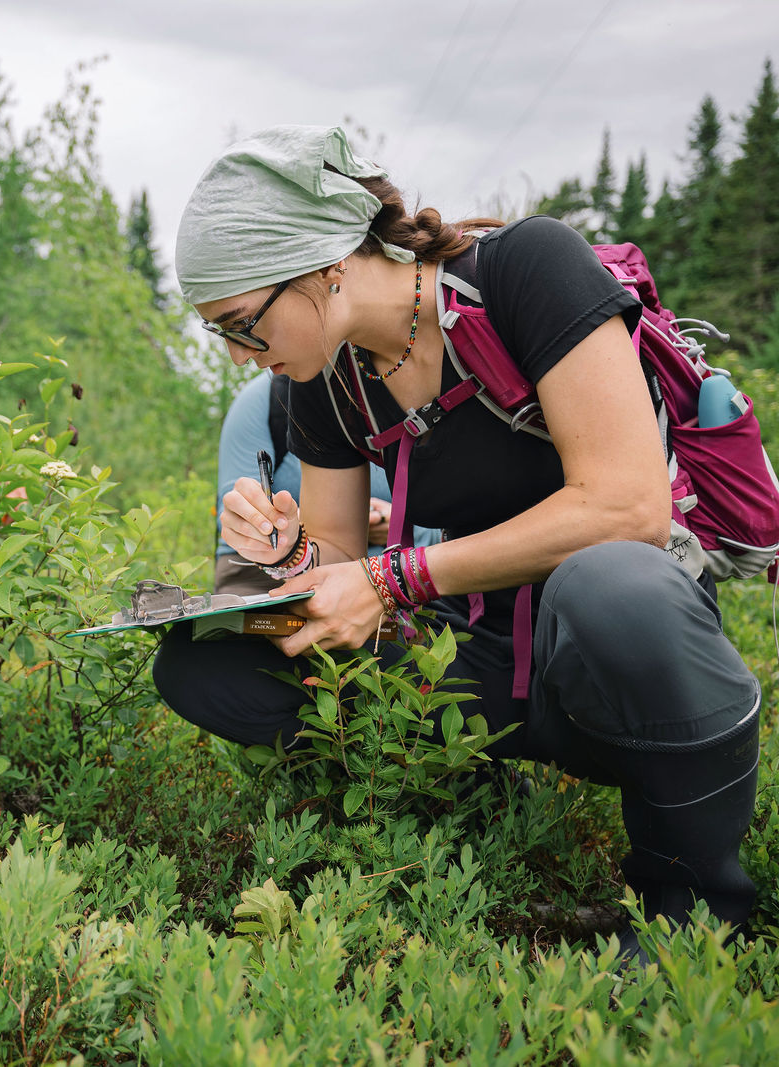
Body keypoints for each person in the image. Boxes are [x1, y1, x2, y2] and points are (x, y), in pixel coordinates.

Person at [156, 125, 761, 949]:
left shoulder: (526, 270)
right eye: (220, 334)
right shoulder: (326, 375)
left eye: (242, 324)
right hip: (473, 653)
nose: (237, 356)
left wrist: (393, 578)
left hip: (617, 659)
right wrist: (289, 554)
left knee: (608, 584)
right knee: (204, 659)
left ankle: (691, 907)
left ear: (322, 266)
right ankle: (472, 806)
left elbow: (627, 507)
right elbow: (339, 557)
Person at [213, 370, 439, 596]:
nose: (241, 358)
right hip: (262, 575)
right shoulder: (264, 398)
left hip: (406, 567)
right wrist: (288, 531)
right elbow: (234, 510)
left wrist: (405, 528)